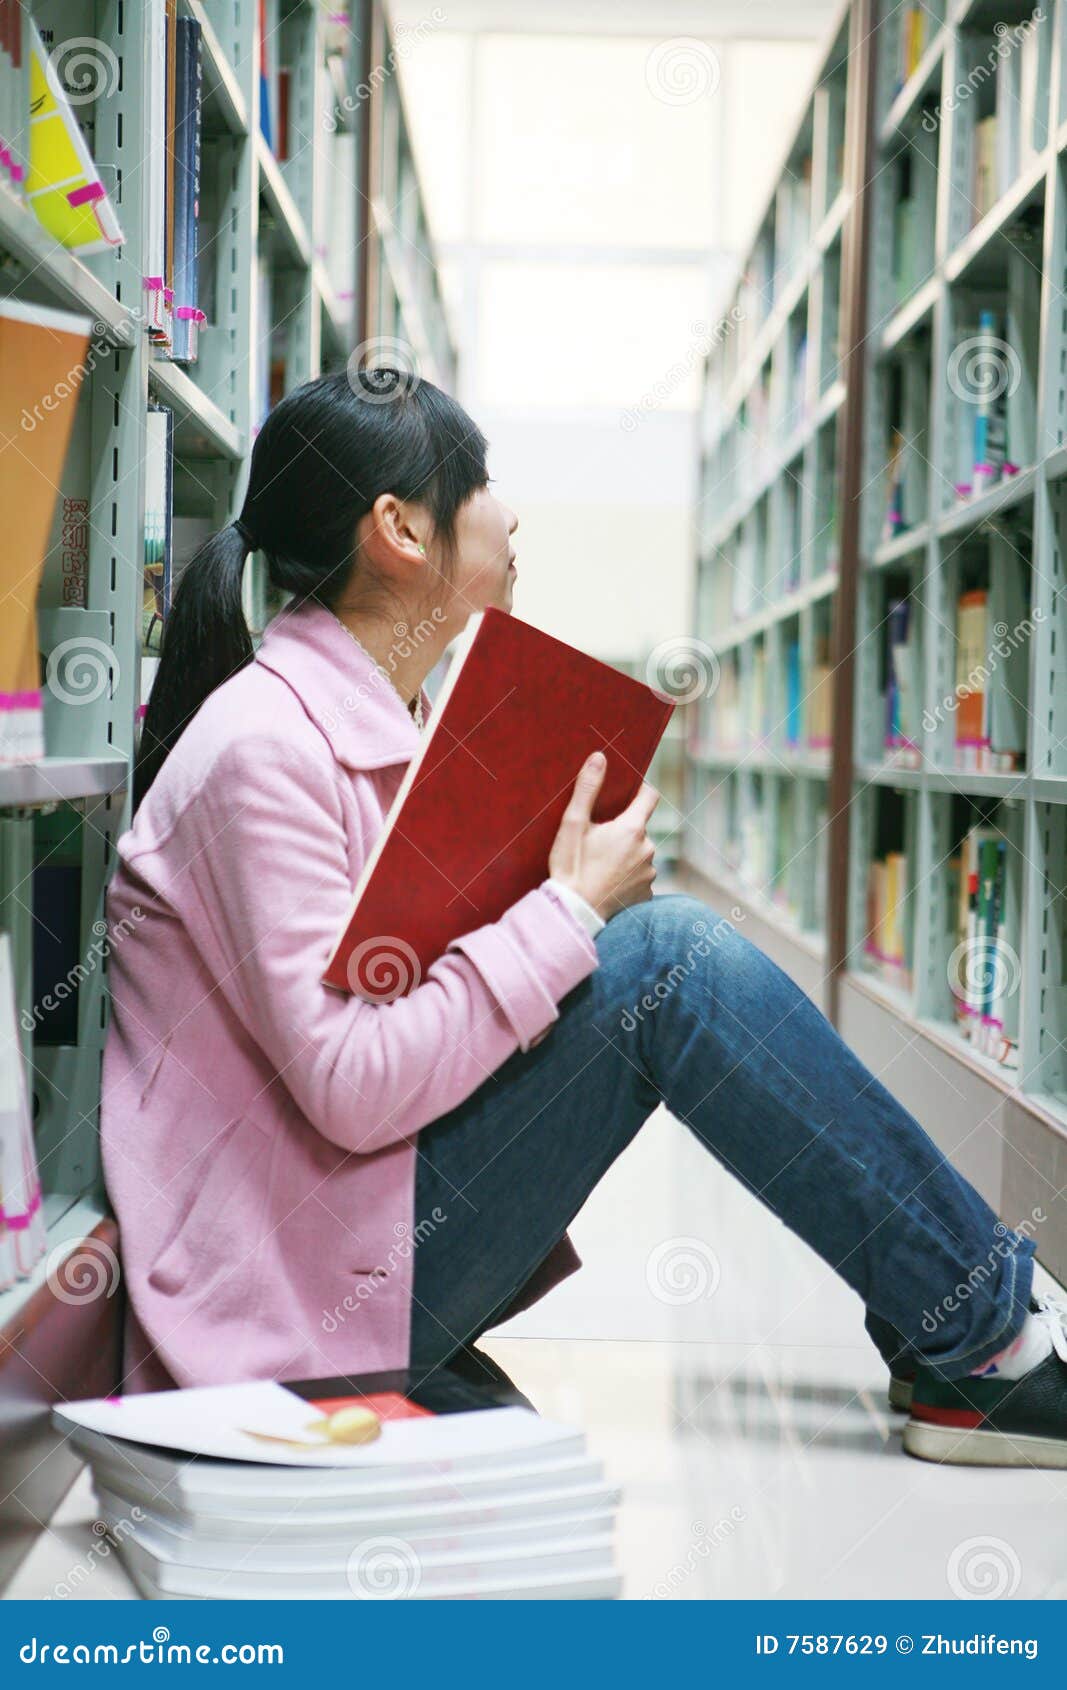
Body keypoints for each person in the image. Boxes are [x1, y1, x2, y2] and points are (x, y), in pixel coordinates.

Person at [101, 369, 1067, 1468]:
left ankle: (951, 1320)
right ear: (401, 530)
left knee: (656, 953)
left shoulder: (388, 716)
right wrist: (566, 909)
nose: (509, 516)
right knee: (668, 955)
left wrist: (553, 901)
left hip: (358, 1223)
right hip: (293, 1289)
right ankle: (987, 1345)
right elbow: (349, 1081)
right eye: (481, 485)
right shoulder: (263, 748)